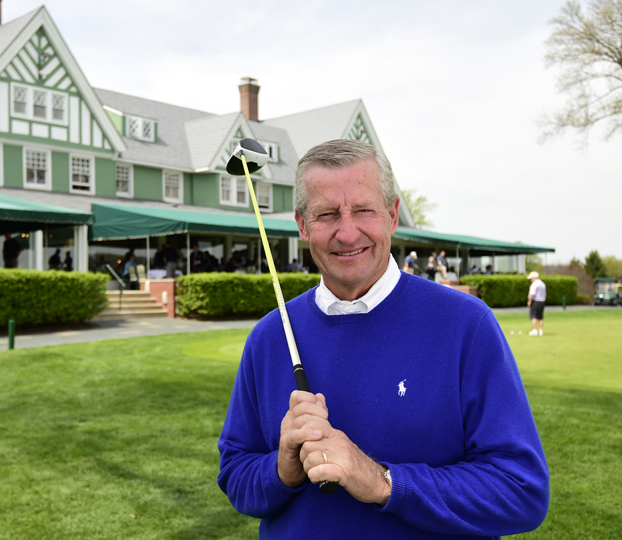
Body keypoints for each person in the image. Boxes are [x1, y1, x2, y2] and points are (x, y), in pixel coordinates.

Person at [217, 139, 549, 539]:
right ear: (303, 225)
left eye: (363, 210)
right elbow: (236, 476)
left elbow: (521, 491)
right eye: (326, 214)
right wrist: (281, 469)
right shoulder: (270, 336)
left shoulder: (466, 325)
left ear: (392, 215)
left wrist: (381, 482)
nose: (347, 231)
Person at [527, 271, 547, 336]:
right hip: (542, 301)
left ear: (535, 277)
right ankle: (540, 330)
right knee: (540, 316)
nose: (531, 280)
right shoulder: (542, 284)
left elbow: (532, 293)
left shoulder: (535, 284)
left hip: (536, 301)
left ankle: (535, 330)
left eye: (531, 278)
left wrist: (530, 300)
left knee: (534, 316)